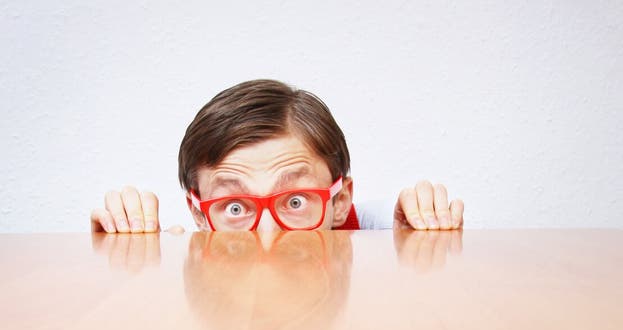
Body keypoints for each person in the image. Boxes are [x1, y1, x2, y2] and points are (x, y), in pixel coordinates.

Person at [90, 79, 464, 235]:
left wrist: (416, 231)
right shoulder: (192, 251)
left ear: (341, 200)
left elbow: (384, 221)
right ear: (198, 214)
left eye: (296, 201)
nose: (267, 235)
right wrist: (129, 248)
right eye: (235, 207)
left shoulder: (369, 228)